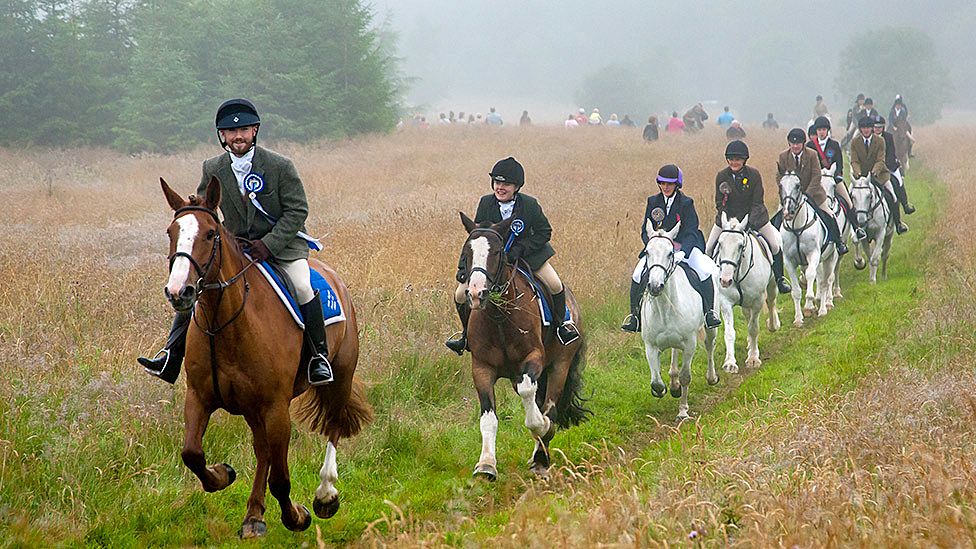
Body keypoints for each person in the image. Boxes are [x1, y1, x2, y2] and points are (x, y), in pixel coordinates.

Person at [138, 99, 334, 386]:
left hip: (281, 249)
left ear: (255, 131)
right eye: (230, 132)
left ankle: (318, 357)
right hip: (237, 247)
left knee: (303, 285)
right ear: (222, 136)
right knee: (197, 286)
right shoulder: (212, 167)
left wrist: (268, 245)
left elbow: (297, 211)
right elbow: (206, 211)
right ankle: (171, 355)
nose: (237, 136)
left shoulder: (280, 166)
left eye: (243, 130)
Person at [447, 157, 581, 353]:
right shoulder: (486, 203)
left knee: (555, 284)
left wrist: (521, 249)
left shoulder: (530, 204)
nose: (500, 188)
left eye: (506, 184)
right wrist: (463, 269)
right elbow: (476, 237)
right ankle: (466, 335)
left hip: (529, 258)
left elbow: (544, 232)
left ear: (517, 187)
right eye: (497, 182)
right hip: (493, 262)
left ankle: (561, 326)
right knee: (460, 294)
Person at [621, 164, 721, 332]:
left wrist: (683, 252)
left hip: (684, 246)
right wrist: (652, 244)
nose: (665, 187)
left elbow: (691, 231)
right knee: (637, 274)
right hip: (659, 250)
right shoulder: (653, 201)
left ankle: (709, 313)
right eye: (662, 183)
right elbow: (645, 230)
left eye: (669, 184)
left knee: (704, 271)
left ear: (677, 184)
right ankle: (635, 317)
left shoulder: (686, 203)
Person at [706, 140, 792, 294]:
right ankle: (709, 284)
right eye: (731, 159)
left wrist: (747, 222)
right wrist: (728, 220)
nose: (734, 162)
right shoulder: (721, 176)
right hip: (728, 221)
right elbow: (719, 203)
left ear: (744, 160)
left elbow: (757, 202)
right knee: (708, 248)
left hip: (755, 218)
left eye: (738, 159)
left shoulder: (753, 175)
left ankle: (780, 279)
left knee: (774, 245)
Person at [776, 128, 849, 254]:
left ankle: (839, 242)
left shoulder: (812, 154)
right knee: (777, 219)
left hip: (814, 194)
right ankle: (776, 249)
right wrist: (786, 191)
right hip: (791, 196)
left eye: (798, 143)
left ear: (803, 143)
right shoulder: (783, 156)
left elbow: (816, 176)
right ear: (789, 143)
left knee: (829, 215)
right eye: (793, 143)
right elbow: (779, 176)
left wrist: (807, 194)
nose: (795, 146)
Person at [806, 116, 863, 240]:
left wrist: (835, 176)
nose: (821, 132)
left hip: (832, 179)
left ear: (827, 130)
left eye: (824, 129)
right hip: (816, 181)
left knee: (848, 202)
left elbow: (839, 164)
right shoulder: (810, 145)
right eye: (819, 130)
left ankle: (856, 228)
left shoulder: (834, 145)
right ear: (816, 131)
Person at [849, 116, 909, 234]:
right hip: (861, 176)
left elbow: (880, 160)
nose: (866, 130)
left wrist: (874, 172)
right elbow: (854, 160)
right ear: (860, 129)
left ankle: (898, 223)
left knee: (892, 196)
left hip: (880, 175)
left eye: (868, 128)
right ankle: (853, 228)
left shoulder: (880, 141)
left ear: (871, 128)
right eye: (863, 128)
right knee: (849, 198)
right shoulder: (855, 141)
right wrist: (858, 173)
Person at [874, 116, 916, 217]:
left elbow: (891, 153)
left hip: (889, 166)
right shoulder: (869, 138)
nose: (877, 129)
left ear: (883, 127)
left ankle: (905, 205)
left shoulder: (888, 137)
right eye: (875, 127)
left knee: (899, 181)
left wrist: (885, 167)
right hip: (873, 168)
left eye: (879, 127)